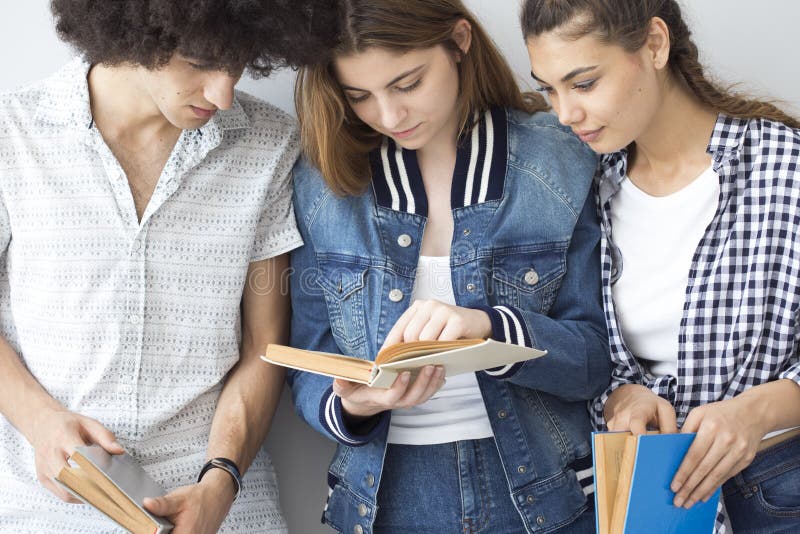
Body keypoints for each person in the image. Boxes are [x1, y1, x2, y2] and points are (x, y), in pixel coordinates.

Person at [0, 1, 338, 532]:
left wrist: (219, 482)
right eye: (201, 62)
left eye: (240, 64)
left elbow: (263, 346)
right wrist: (42, 424)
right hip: (45, 505)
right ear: (136, 29)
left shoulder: (267, 144)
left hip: (222, 504)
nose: (223, 94)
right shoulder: (13, 135)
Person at [287, 1, 612, 532]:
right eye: (360, 96)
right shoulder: (323, 185)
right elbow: (308, 360)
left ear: (459, 41)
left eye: (408, 84)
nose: (390, 116)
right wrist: (357, 405)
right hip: (386, 501)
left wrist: (489, 327)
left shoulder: (560, 159)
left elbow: (596, 359)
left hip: (545, 494)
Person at [521, 1, 800, 532]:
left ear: (654, 44)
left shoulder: (785, 167)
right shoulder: (580, 188)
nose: (563, 113)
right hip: (647, 501)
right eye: (548, 89)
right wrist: (622, 398)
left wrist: (757, 411)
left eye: (583, 83)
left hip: (778, 495)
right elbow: (579, 341)